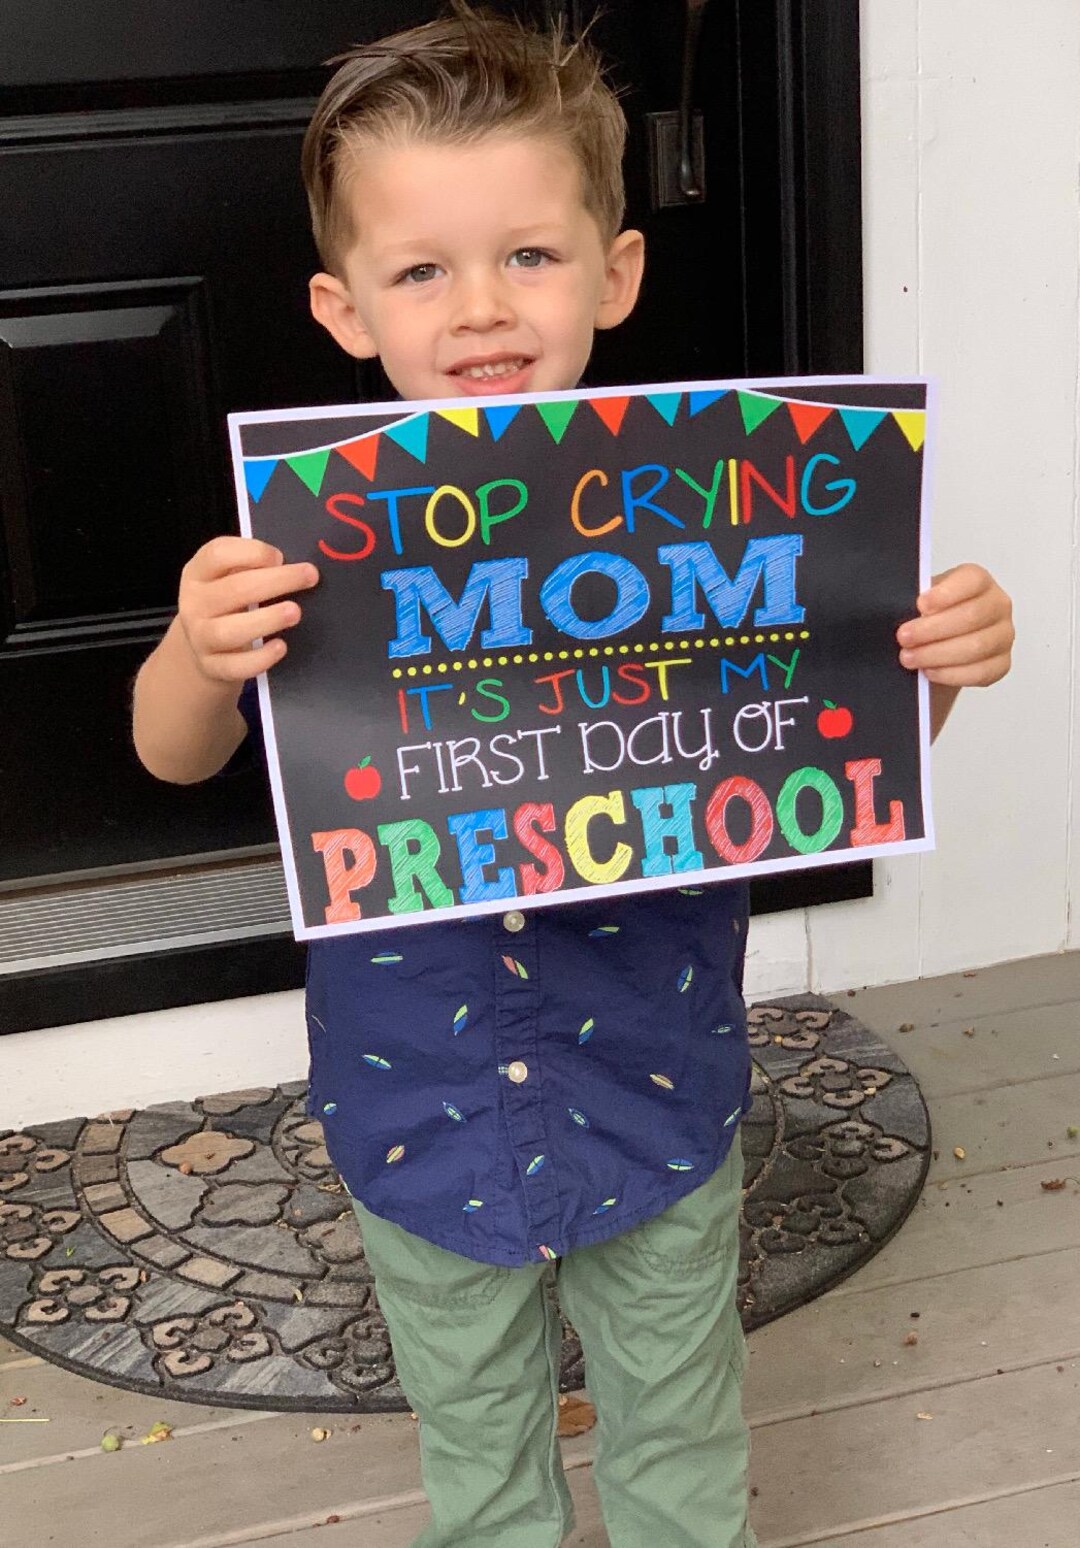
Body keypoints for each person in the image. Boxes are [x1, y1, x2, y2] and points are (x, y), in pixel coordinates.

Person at [131, 6, 1015, 1544]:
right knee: (476, 1443)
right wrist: (199, 655)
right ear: (346, 312)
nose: (480, 306)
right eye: (423, 270)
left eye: (530, 255)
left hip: (651, 1085)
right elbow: (172, 752)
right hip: (419, 1102)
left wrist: (924, 672)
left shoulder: (731, 531)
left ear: (614, 272)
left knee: (678, 1420)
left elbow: (817, 755)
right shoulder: (302, 547)